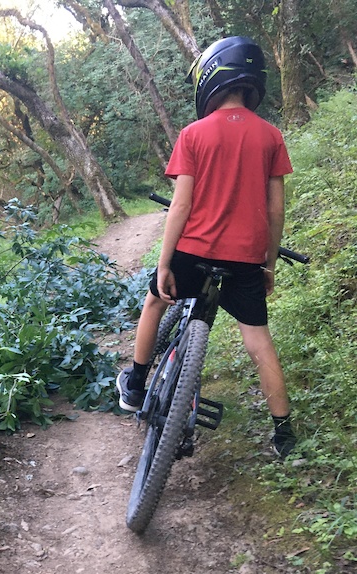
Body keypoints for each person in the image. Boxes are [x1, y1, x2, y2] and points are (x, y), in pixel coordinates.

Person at [116, 36, 297, 458]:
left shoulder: (194, 134)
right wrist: (268, 264)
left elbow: (181, 205)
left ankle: (136, 386)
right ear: (252, 82)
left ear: (210, 79)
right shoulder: (271, 136)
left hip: (193, 252)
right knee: (258, 341)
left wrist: (164, 263)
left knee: (155, 303)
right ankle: (284, 433)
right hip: (246, 260)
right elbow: (276, 211)